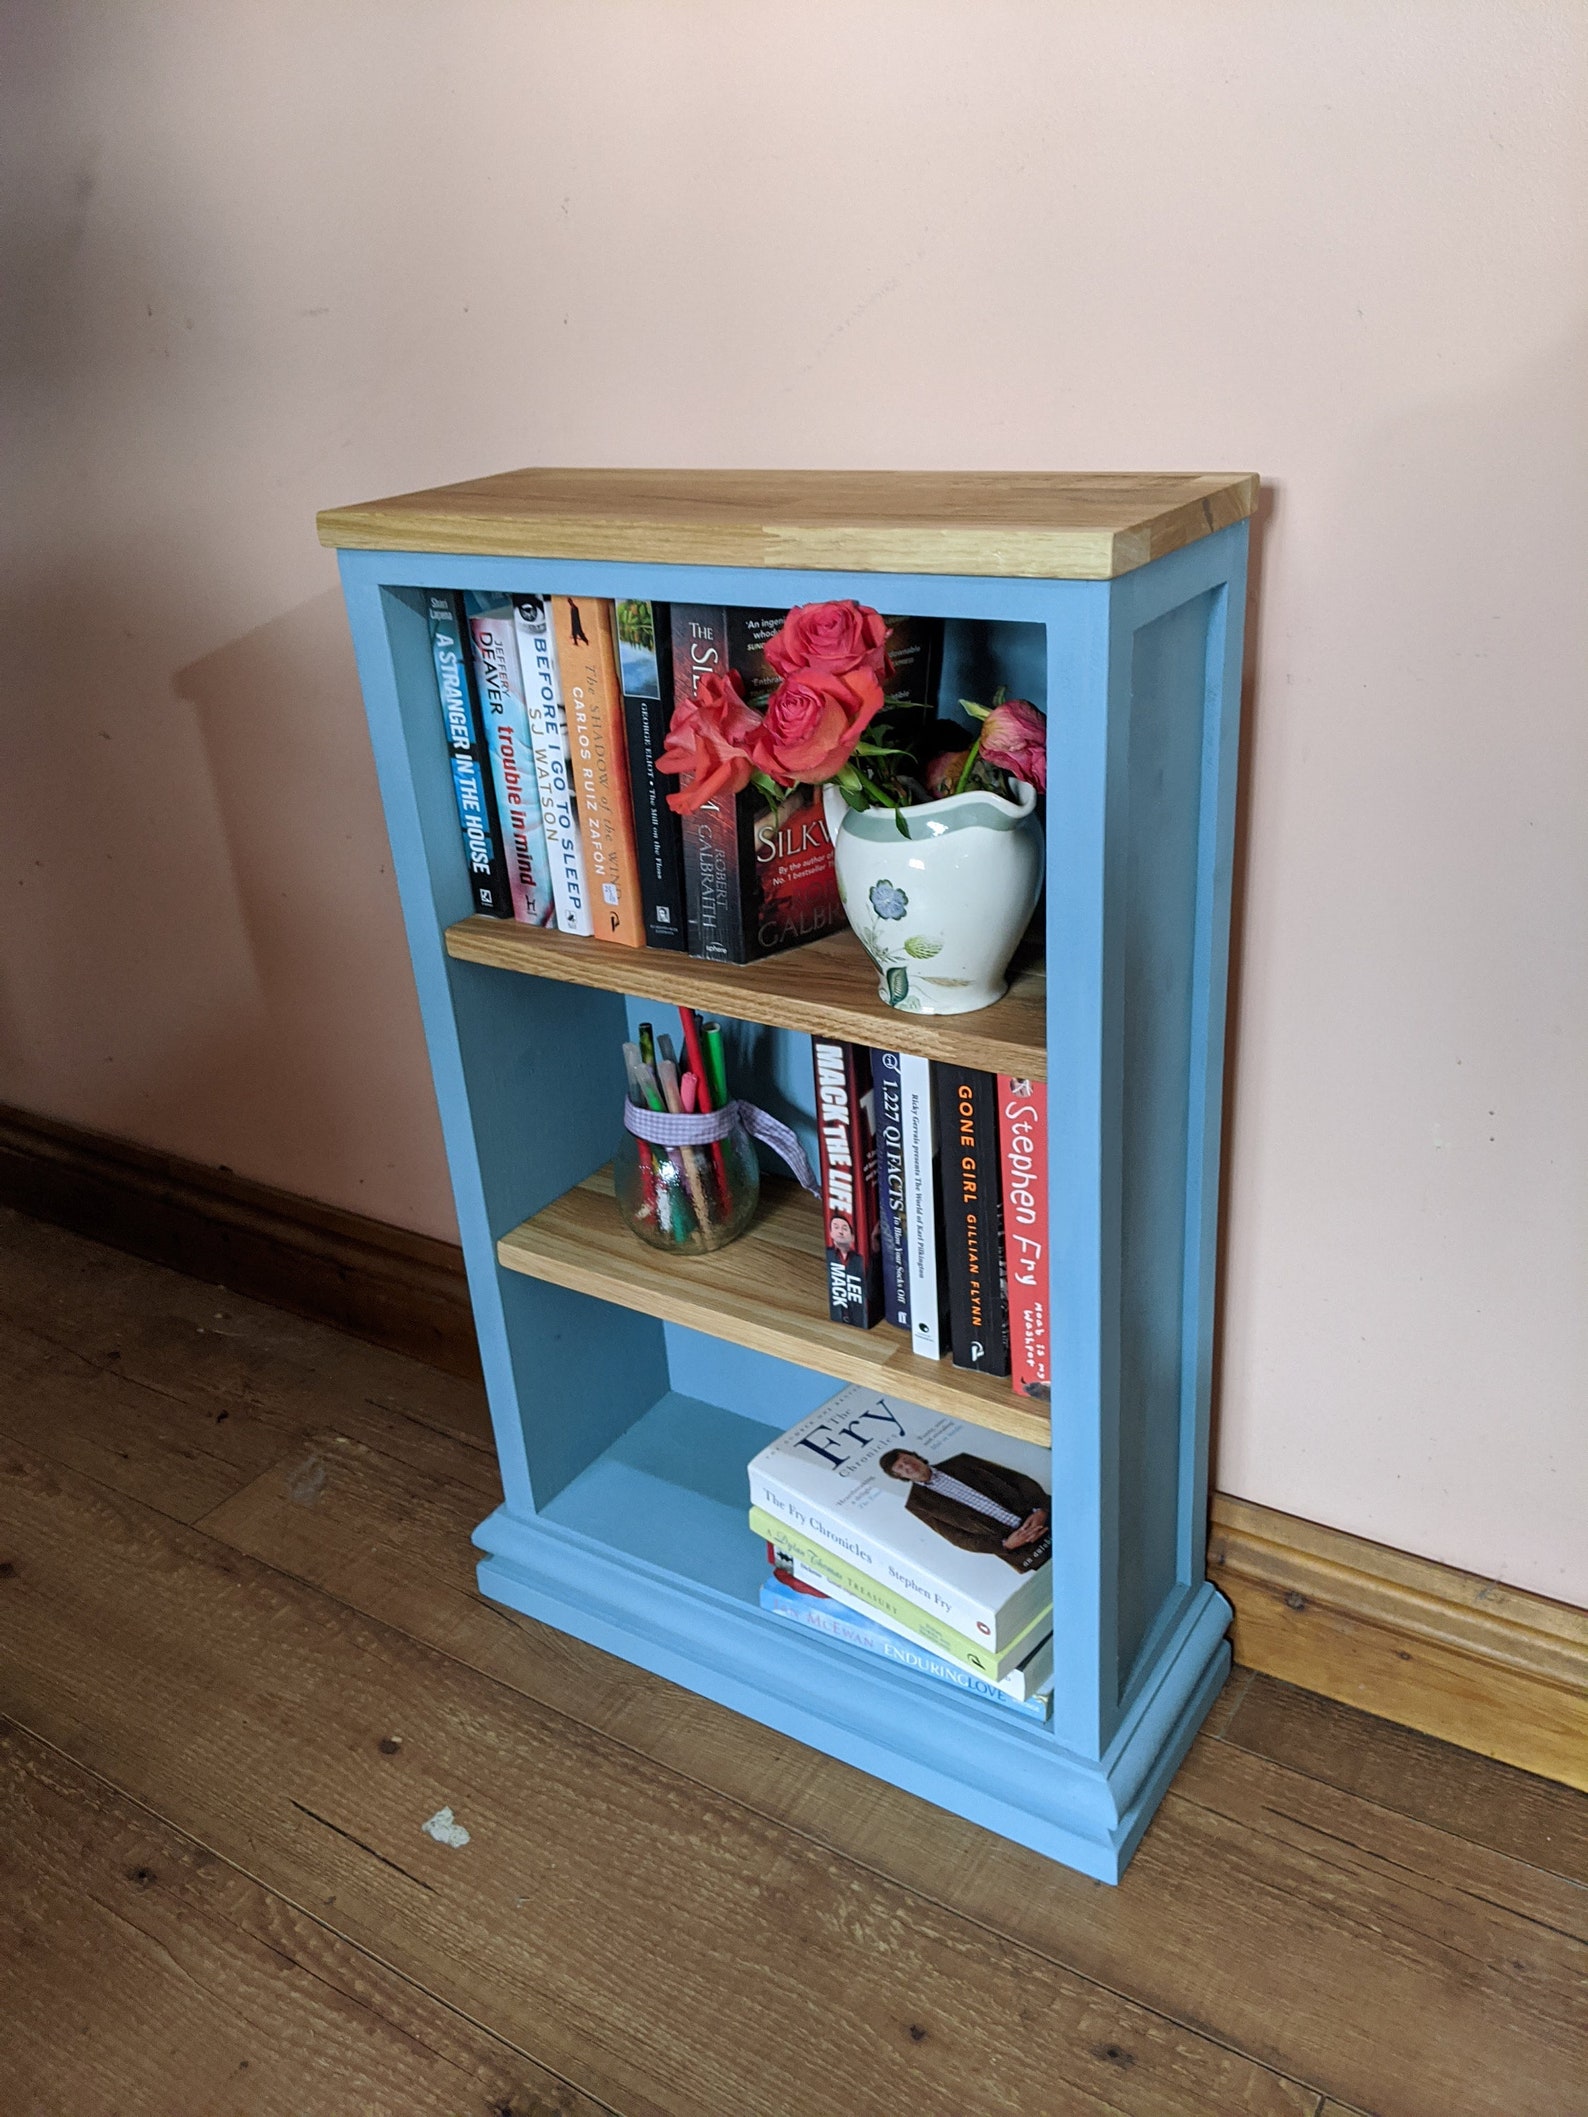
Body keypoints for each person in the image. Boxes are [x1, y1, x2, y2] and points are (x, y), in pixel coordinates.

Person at [879, 1448, 1050, 1572]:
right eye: (901, 1468)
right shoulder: (917, 1505)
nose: (908, 1466)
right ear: (899, 1477)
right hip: (1022, 1548)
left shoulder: (961, 1461)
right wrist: (1005, 1545)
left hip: (1047, 1516)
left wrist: (1040, 1509)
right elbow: (958, 1538)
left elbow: (1017, 1479)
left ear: (915, 1456)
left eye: (907, 1460)